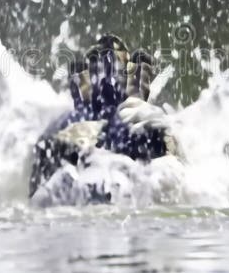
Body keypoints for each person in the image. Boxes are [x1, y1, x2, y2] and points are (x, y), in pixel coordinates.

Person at [28, 34, 179, 204]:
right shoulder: (145, 119)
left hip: (89, 147)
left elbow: (42, 158)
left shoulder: (69, 121)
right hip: (125, 149)